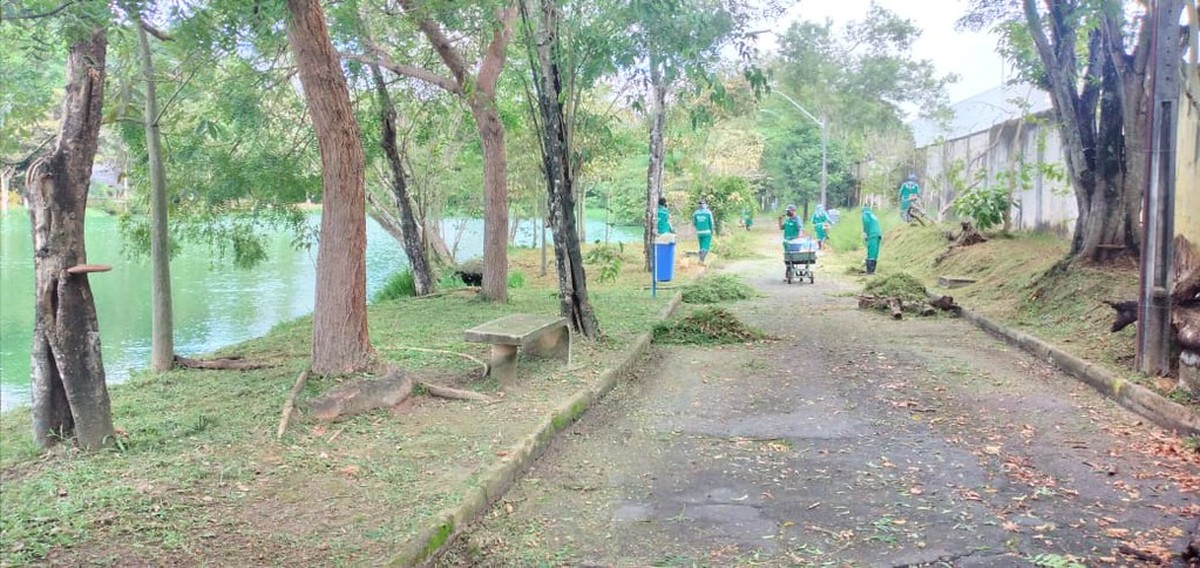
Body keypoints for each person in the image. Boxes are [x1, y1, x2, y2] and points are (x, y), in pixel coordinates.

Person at [692, 199, 715, 264]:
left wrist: (698, 228)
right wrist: (712, 231)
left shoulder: (695, 213)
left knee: (701, 246)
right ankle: (701, 260)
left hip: (699, 232)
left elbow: (694, 223)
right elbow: (711, 223)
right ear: (705, 205)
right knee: (706, 247)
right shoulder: (708, 212)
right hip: (707, 232)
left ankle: (700, 260)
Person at [862, 204, 882, 274]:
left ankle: (869, 271)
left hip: (872, 234)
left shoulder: (865, 214)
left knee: (871, 252)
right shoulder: (873, 215)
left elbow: (866, 222)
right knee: (875, 252)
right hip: (878, 234)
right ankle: (872, 271)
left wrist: (865, 233)